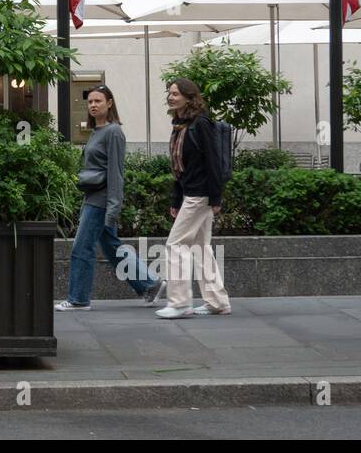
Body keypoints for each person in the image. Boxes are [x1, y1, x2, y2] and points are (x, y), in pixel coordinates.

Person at [56, 85, 163, 311]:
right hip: (93, 197)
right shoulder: (97, 131)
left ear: (110, 103)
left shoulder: (113, 132)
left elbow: (116, 173)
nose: (93, 105)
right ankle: (150, 284)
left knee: (81, 248)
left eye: (98, 101)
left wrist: (113, 208)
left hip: (101, 201)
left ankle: (78, 299)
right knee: (112, 247)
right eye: (91, 102)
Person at [156, 78, 232, 319]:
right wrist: (175, 200)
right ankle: (217, 301)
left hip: (200, 195)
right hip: (191, 193)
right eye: (169, 93)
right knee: (200, 248)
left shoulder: (201, 124)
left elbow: (213, 161)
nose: (171, 97)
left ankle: (179, 303)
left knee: (175, 244)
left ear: (189, 97)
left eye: (176, 94)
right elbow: (180, 168)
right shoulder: (180, 124)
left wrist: (215, 196)